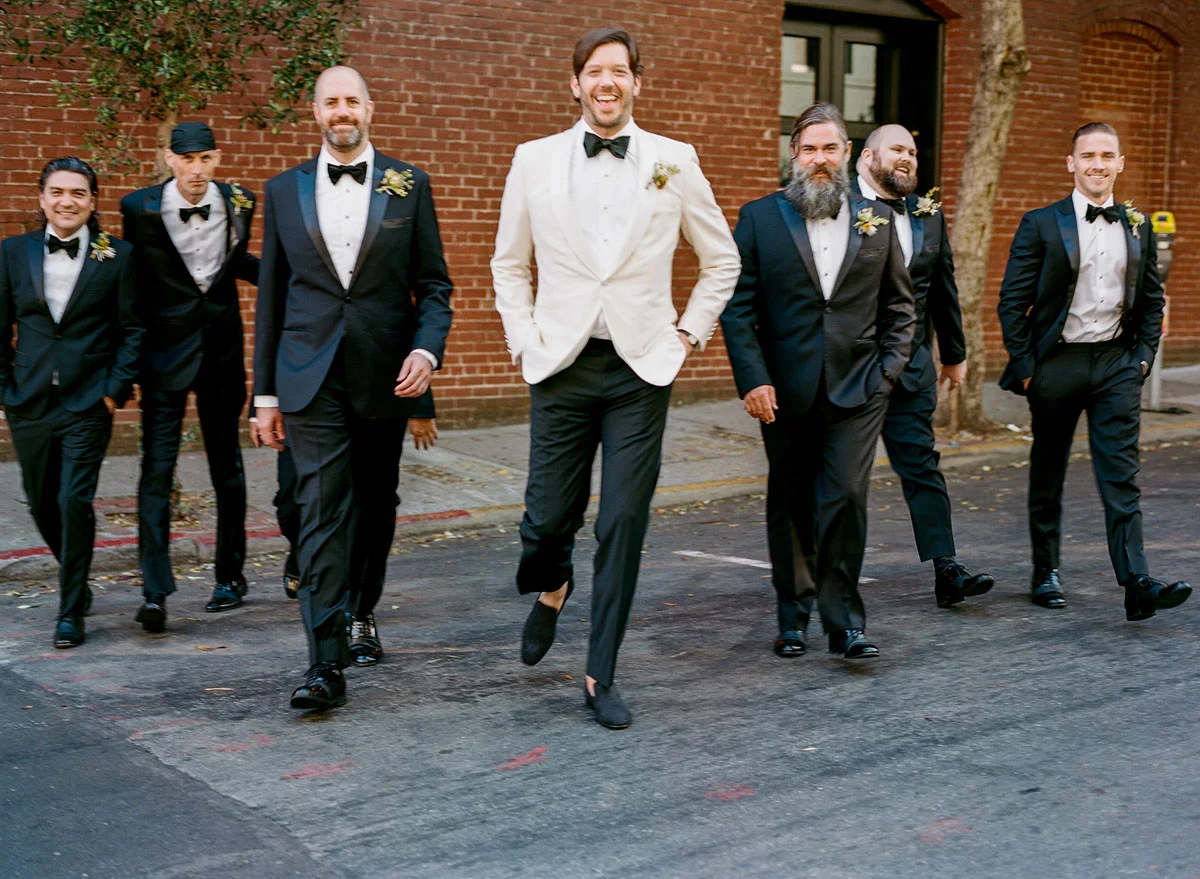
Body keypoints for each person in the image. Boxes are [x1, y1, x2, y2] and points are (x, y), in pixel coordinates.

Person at [491, 26, 740, 729]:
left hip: (641, 369)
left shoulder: (674, 160)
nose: (607, 82)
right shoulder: (532, 160)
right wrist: (522, 339)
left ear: (637, 81)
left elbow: (721, 259)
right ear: (575, 84)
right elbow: (509, 263)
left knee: (624, 522)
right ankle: (554, 580)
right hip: (561, 366)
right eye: (594, 72)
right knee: (544, 523)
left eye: (620, 71)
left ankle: (602, 672)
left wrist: (688, 332)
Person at [253, 66, 453, 710]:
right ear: (315, 112)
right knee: (317, 512)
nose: (342, 111)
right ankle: (324, 664)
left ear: (370, 108)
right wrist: (264, 394)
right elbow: (273, 300)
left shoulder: (409, 184)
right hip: (307, 377)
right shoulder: (283, 191)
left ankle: (361, 609)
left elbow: (436, 288)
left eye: (352, 101)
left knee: (373, 503)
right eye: (330, 102)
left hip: (382, 379)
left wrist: (425, 351)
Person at [720, 103, 915, 661]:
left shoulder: (875, 218)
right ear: (793, 155)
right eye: (810, 149)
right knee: (791, 501)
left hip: (860, 388)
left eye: (830, 148)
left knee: (847, 499)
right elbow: (739, 309)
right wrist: (753, 380)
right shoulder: (759, 218)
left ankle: (845, 622)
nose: (820, 158)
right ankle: (793, 615)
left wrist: (888, 373)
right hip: (782, 392)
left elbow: (901, 308)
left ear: (847, 154)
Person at [997, 121, 1190, 620]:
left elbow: (1150, 301)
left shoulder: (1137, 225)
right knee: (1048, 472)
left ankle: (1136, 581)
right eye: (1088, 156)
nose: (1098, 165)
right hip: (1056, 364)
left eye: (1107, 156)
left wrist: (1142, 359)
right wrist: (1026, 368)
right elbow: (1012, 300)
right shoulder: (1040, 223)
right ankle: (1046, 572)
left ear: (1120, 164)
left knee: (1121, 476)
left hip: (1116, 364)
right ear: (1071, 163)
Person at [120, 122, 260, 634]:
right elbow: (133, 283)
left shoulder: (240, 200)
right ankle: (155, 591)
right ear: (169, 160)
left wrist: (289, 277)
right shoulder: (138, 208)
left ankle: (231, 576)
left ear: (217, 159)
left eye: (205, 159)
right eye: (187, 160)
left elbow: (234, 259)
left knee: (228, 467)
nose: (197, 169)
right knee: (156, 471)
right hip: (164, 359)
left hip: (221, 353)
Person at [0, 157, 144, 648]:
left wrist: (112, 392)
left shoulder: (117, 256)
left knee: (73, 499)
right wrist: (6, 390)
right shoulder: (12, 253)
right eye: (58, 192)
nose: (67, 201)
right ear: (42, 199)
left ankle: (70, 610)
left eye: (78, 193)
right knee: (42, 501)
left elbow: (133, 330)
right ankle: (76, 578)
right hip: (29, 399)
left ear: (92, 202)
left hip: (89, 400)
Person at [852, 123, 993, 608]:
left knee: (923, 469)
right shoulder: (839, 208)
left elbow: (942, 288)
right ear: (867, 158)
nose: (908, 157)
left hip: (911, 369)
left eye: (913, 150)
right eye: (897, 149)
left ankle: (946, 569)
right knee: (841, 479)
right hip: (851, 372)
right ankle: (822, 581)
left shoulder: (927, 216)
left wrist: (954, 354)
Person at [265, 394, 436, 668]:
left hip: (375, 395)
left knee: (373, 507)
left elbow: (410, 349)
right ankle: (300, 552)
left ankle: (360, 613)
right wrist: (263, 403)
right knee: (291, 502)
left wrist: (420, 404)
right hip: (307, 394)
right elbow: (268, 349)